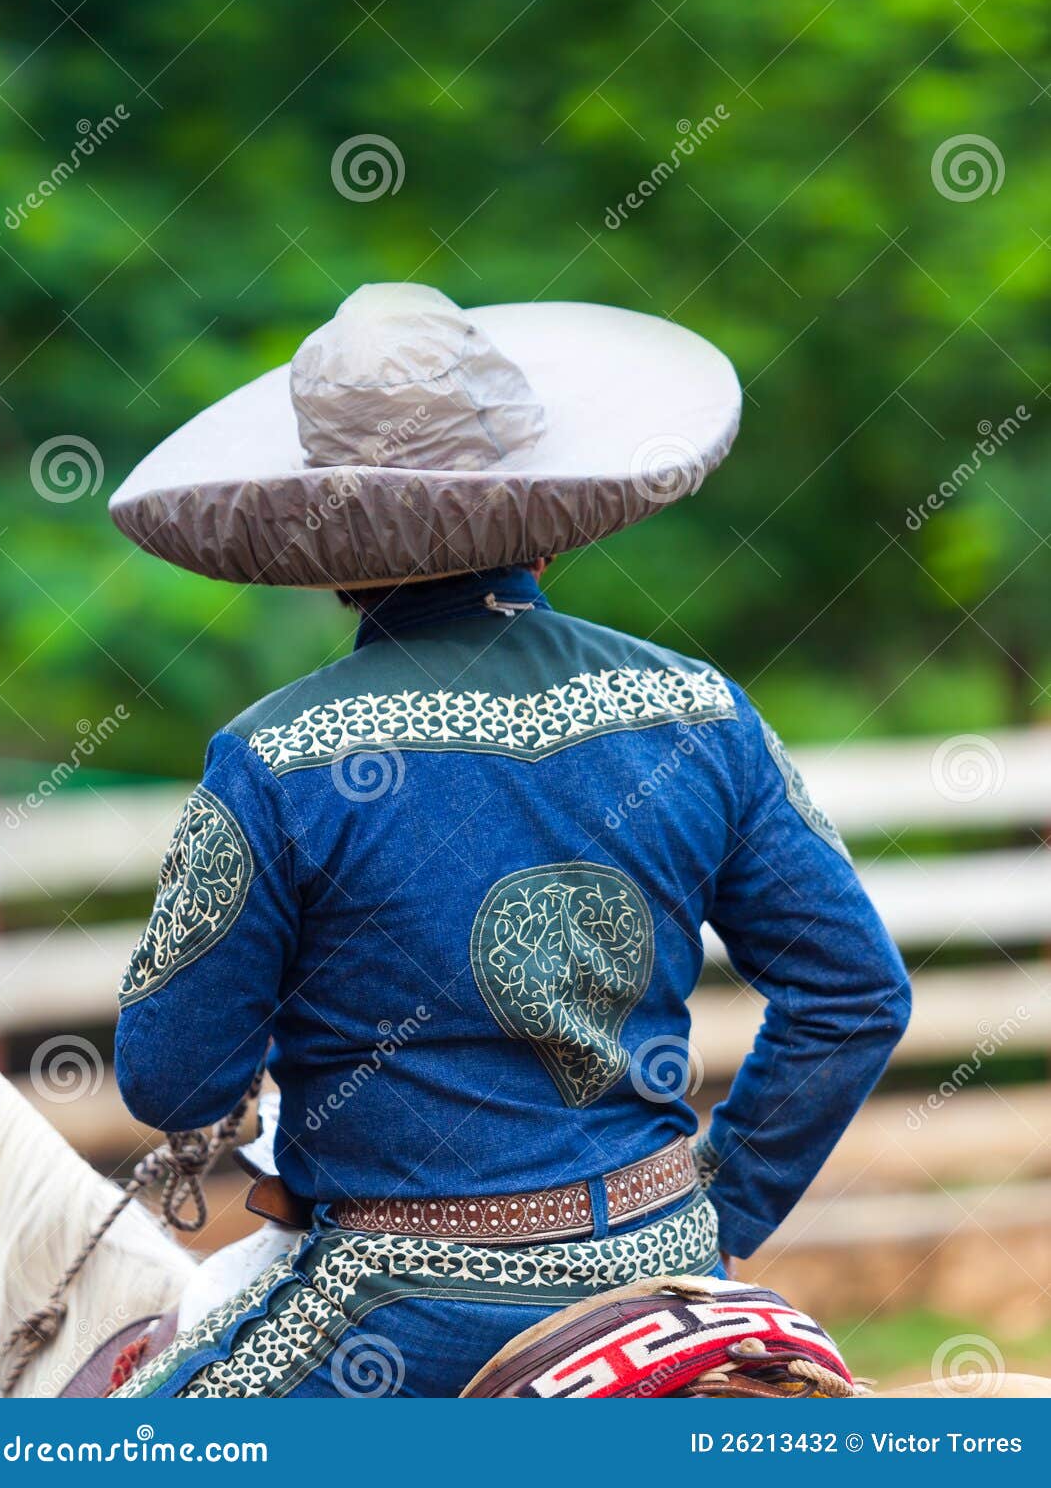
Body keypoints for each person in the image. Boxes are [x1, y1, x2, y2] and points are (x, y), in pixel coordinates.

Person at [108, 282, 910, 1397]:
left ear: (328, 539)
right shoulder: (699, 711)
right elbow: (854, 993)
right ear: (535, 504)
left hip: (402, 1306)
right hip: (662, 1265)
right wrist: (714, 1210)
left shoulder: (274, 759)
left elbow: (167, 1079)